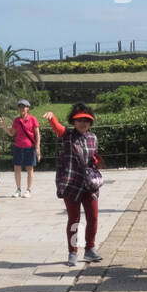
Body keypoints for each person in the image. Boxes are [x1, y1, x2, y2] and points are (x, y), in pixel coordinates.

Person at [43, 104, 103, 266]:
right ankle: (73, 252)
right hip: (71, 183)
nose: (83, 123)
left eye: (86, 120)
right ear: (73, 122)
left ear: (90, 123)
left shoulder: (93, 138)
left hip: (89, 184)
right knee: (74, 219)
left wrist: (97, 161)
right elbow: (58, 129)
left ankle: (90, 249)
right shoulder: (68, 135)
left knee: (93, 217)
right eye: (79, 120)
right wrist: (52, 118)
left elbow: (93, 157)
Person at [11, 100, 41, 198]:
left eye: (23, 107)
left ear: (28, 108)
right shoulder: (16, 120)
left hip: (30, 147)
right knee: (17, 168)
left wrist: (37, 148)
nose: (21, 109)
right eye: (20, 107)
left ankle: (28, 190)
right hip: (18, 147)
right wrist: (4, 127)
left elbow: (37, 135)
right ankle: (18, 189)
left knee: (29, 168)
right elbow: (12, 133)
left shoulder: (33, 119)